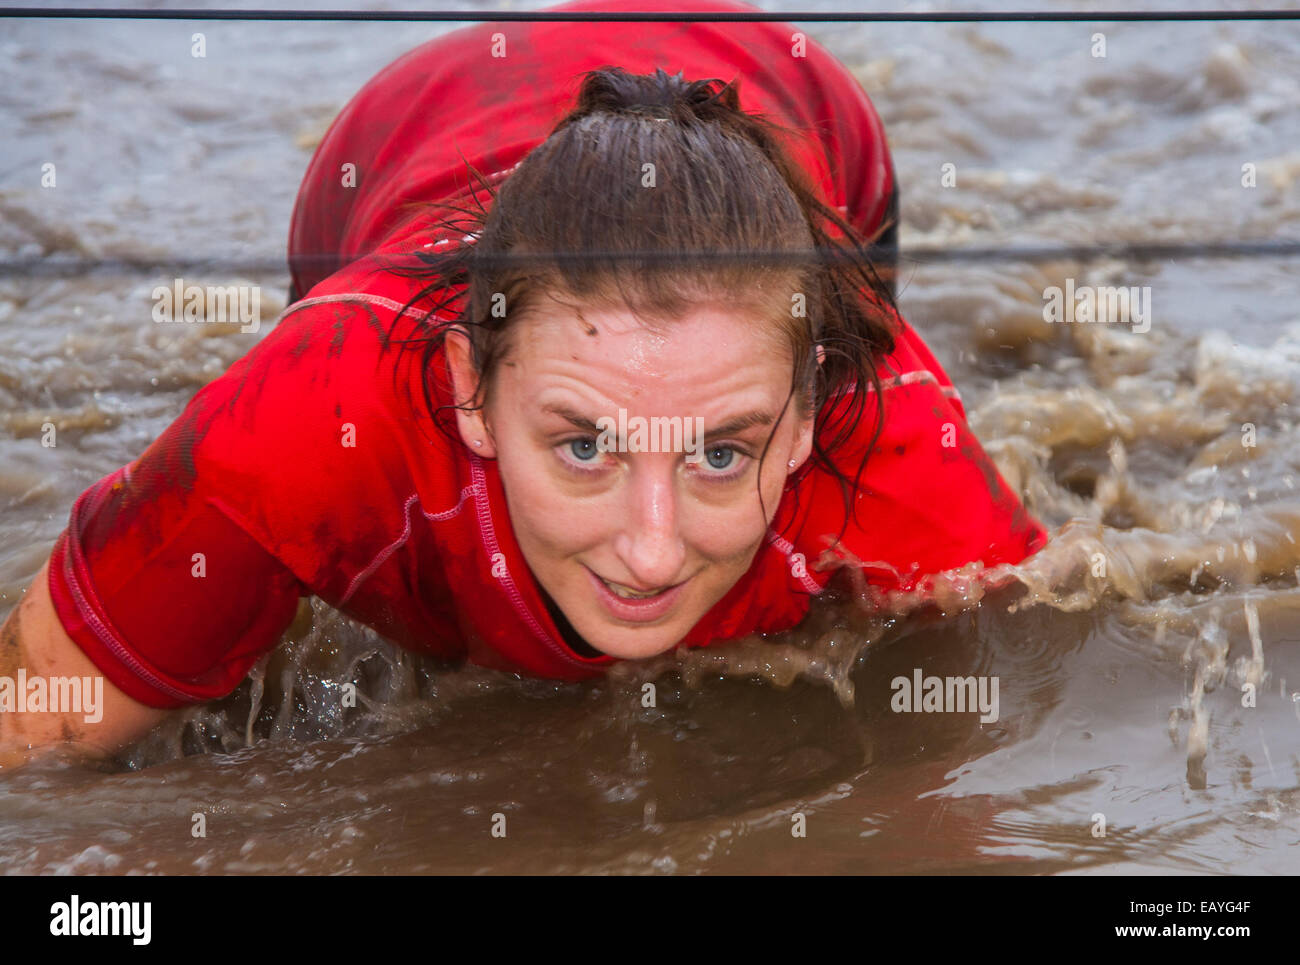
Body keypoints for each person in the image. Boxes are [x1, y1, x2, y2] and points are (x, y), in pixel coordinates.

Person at [0, 0, 1047, 766]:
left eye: (720, 451)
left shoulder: (898, 451)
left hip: (774, 74)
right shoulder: (306, 419)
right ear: (467, 386)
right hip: (408, 124)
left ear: (810, 412)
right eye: (583, 443)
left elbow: (1021, 704)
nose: (649, 547)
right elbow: (28, 744)